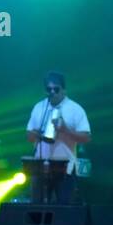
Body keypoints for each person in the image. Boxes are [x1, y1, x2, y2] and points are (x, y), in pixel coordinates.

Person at [24, 71, 90, 204]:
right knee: (36, 208)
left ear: (64, 90)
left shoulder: (75, 109)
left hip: (65, 169)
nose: (52, 92)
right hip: (40, 167)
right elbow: (29, 137)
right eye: (49, 89)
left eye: (56, 89)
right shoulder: (39, 107)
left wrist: (65, 130)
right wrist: (36, 134)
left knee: (64, 211)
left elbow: (87, 138)